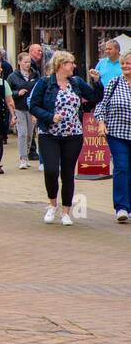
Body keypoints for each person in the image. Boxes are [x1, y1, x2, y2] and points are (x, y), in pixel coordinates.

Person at [29, 51, 103, 226]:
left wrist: (97, 81)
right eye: (71, 63)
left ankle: (66, 212)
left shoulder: (76, 83)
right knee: (51, 170)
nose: (74, 66)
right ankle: (52, 204)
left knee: (68, 173)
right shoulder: (45, 83)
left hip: (73, 134)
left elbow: (96, 97)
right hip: (49, 134)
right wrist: (49, 116)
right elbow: (33, 106)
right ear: (61, 65)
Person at [94, 52, 131, 223]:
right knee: (121, 167)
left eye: (128, 64)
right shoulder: (114, 83)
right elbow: (101, 105)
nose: (125, 66)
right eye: (123, 63)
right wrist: (101, 122)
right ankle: (121, 207)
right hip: (117, 133)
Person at [7, 52, 37, 170]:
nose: (27, 64)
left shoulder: (34, 75)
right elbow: (8, 91)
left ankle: (27, 154)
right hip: (19, 107)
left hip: (32, 109)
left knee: (30, 134)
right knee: (22, 133)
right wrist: (17, 93)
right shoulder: (12, 76)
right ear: (19, 62)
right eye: (25, 62)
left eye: (29, 62)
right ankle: (23, 158)